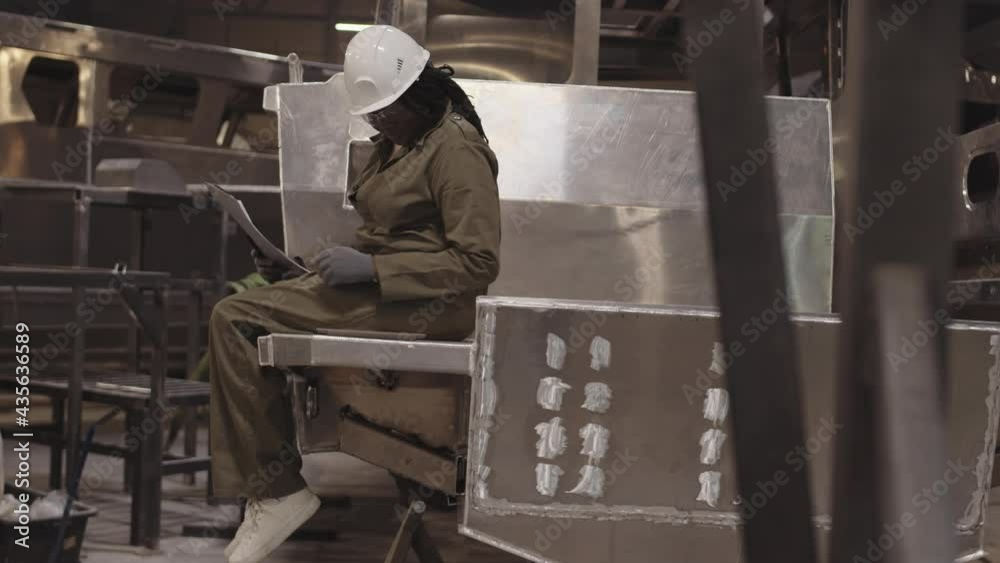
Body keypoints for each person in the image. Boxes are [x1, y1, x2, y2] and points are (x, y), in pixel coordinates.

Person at [211, 25, 501, 563]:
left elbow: (477, 262)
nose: (373, 121)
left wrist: (371, 270)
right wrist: (295, 275)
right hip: (391, 291)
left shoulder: (456, 150)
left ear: (416, 97)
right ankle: (273, 488)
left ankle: (277, 493)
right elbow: (396, 235)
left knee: (234, 319)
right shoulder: (402, 141)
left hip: (424, 306)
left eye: (382, 111)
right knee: (245, 311)